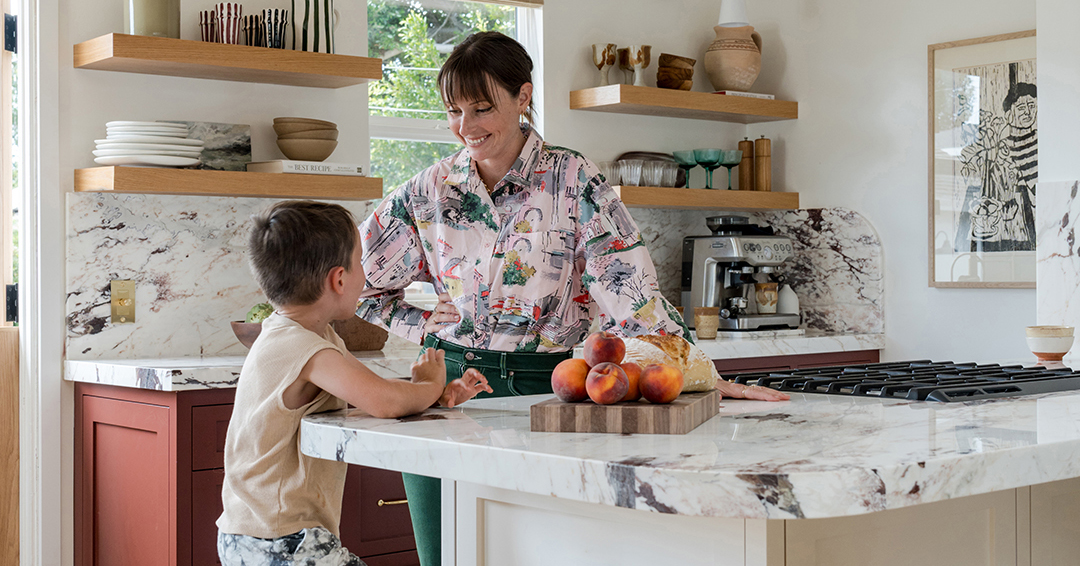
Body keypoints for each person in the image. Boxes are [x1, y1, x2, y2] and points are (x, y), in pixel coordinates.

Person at [356, 32, 789, 566]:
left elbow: (631, 291)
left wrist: (700, 375)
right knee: (444, 554)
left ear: (523, 97)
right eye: (453, 111)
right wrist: (415, 322)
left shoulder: (573, 180)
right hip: (446, 396)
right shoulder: (429, 189)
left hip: (552, 397)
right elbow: (353, 280)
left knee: (539, 552)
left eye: (482, 108)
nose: (466, 127)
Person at [216, 201, 493, 566]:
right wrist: (427, 383)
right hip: (283, 539)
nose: (366, 274)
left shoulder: (308, 335)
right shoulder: (302, 346)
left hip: (256, 534)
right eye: (361, 261)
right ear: (339, 279)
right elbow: (385, 402)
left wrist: (436, 398)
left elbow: (365, 393)